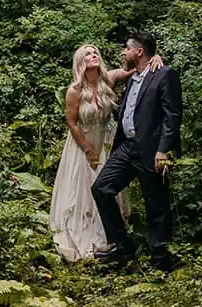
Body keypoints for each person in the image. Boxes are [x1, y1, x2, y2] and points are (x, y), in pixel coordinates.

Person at [48, 43, 161, 262]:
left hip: (107, 141)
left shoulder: (108, 79)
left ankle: (113, 238)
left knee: (105, 186)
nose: (93, 56)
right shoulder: (75, 91)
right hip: (83, 141)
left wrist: (154, 57)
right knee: (82, 188)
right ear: (81, 62)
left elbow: (135, 70)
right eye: (88, 54)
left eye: (95, 53)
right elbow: (71, 123)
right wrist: (88, 150)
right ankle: (83, 231)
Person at [92, 31, 182, 273]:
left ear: (139, 52)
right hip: (127, 147)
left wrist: (163, 151)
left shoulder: (164, 74)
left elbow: (172, 117)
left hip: (152, 150)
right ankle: (122, 247)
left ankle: (161, 260)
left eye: (127, 48)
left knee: (156, 204)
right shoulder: (133, 78)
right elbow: (129, 109)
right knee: (101, 188)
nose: (124, 52)